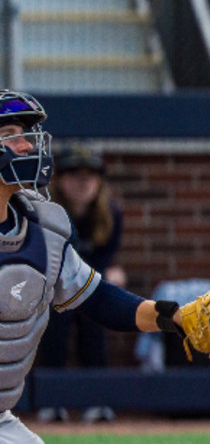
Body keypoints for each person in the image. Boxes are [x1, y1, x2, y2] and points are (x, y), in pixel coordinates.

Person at [0, 89, 210, 444]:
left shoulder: (43, 229)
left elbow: (99, 299)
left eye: (28, 136)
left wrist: (176, 316)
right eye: (11, 137)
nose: (27, 147)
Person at [36, 142, 125, 423]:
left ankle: (96, 400)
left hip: (89, 285)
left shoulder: (110, 215)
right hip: (53, 285)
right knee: (56, 321)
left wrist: (110, 273)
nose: (83, 182)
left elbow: (104, 259)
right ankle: (52, 400)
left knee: (95, 316)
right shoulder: (46, 213)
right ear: (60, 180)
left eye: (90, 175)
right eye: (74, 174)